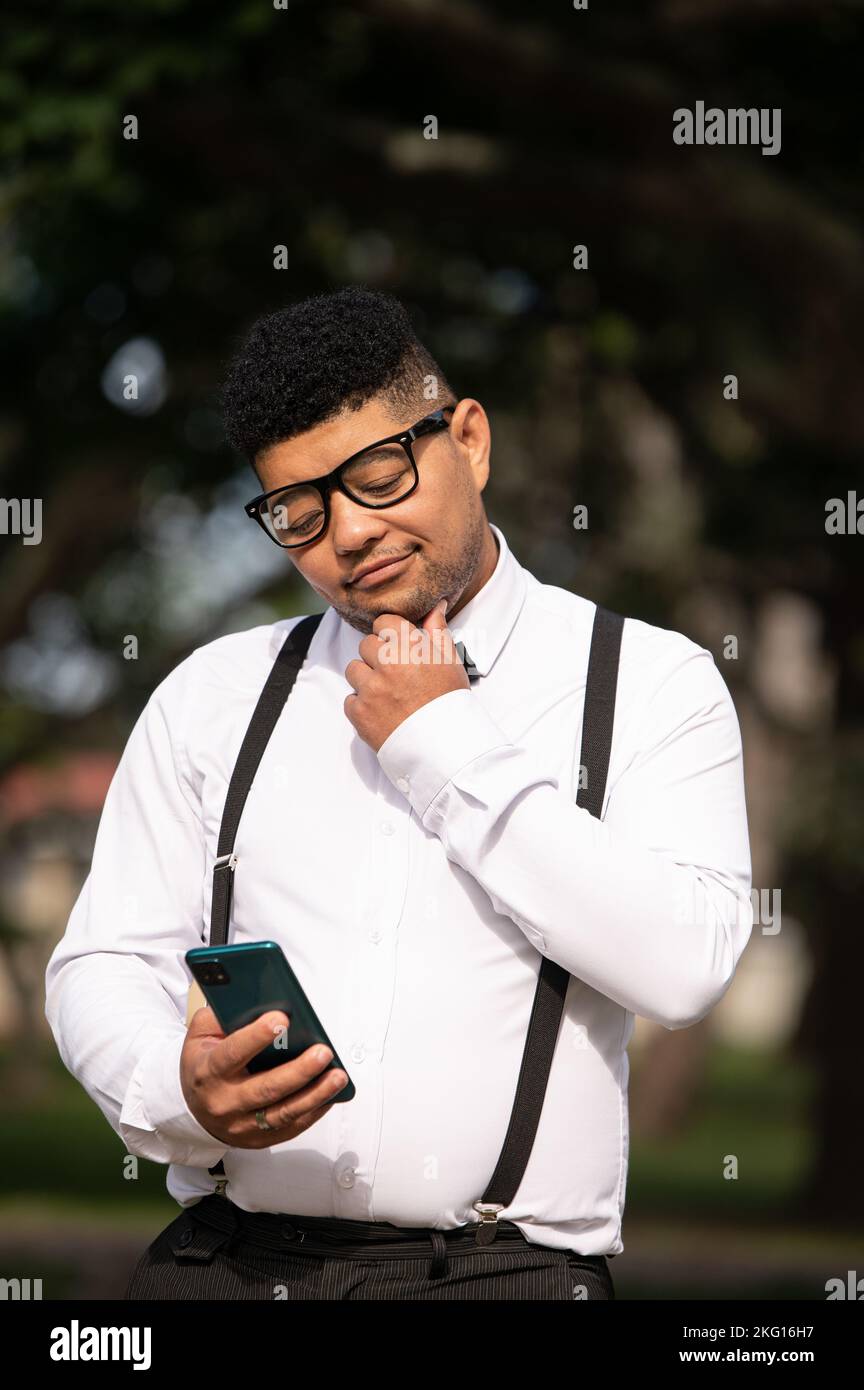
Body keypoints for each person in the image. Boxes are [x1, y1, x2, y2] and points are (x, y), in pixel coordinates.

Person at [44, 286, 753, 1301]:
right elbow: (102, 960)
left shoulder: (647, 681)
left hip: (501, 1275)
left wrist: (439, 738)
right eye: (300, 509)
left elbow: (685, 965)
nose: (350, 533)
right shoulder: (215, 694)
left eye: (379, 472)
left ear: (468, 439)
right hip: (228, 1264)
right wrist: (176, 1086)